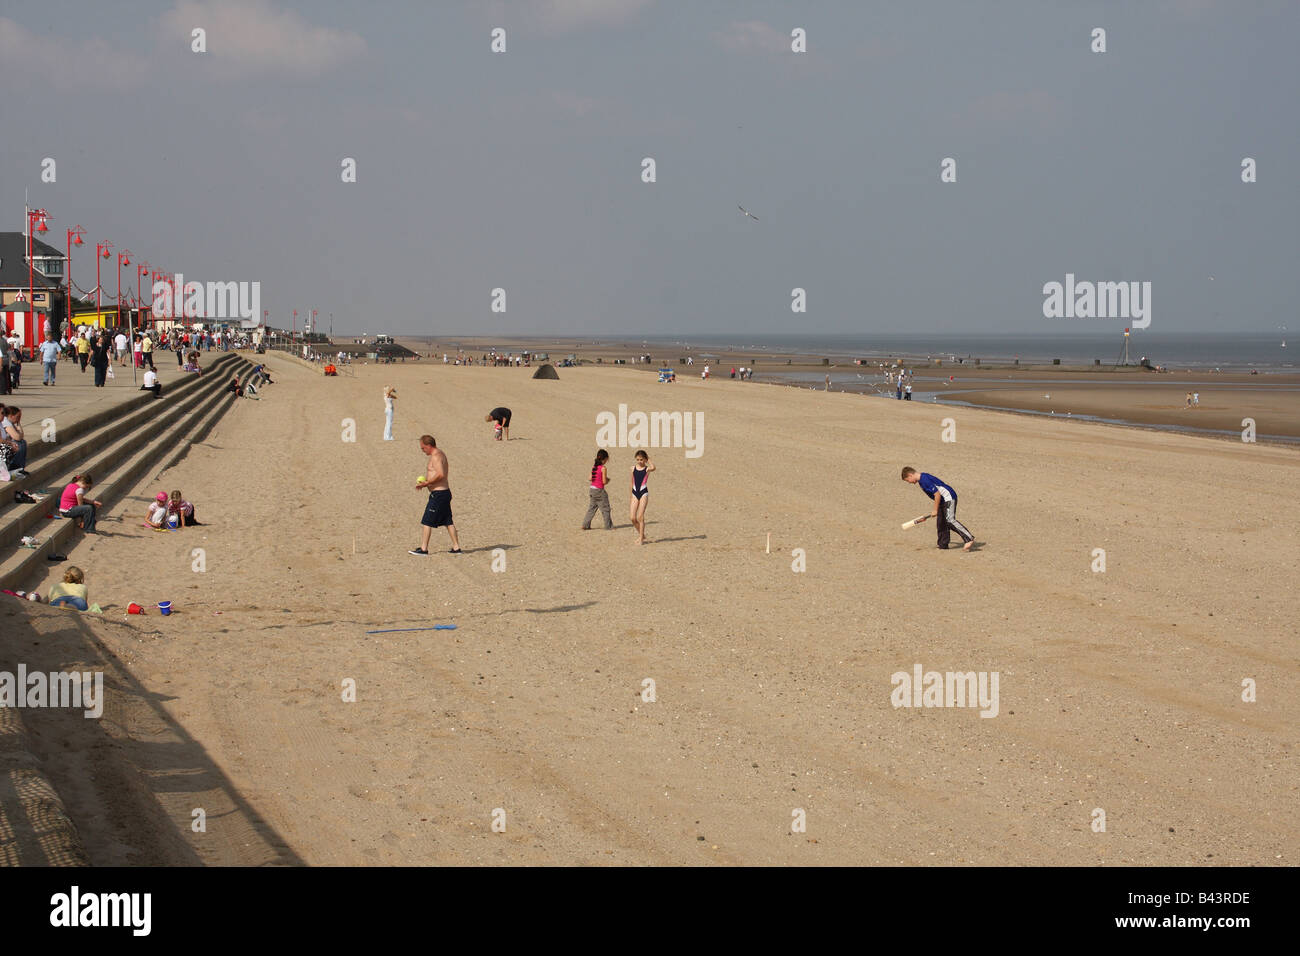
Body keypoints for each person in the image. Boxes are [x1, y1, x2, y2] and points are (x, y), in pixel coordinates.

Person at [901, 466, 974, 551]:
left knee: (950, 520)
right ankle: (943, 544)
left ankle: (969, 538)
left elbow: (937, 494)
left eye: (907, 480)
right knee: (941, 522)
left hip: (949, 498)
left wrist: (935, 509)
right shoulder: (922, 480)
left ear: (910, 475)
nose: (909, 483)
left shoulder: (924, 480)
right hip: (942, 501)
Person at [410, 434, 461, 554]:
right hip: (444, 493)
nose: (422, 450)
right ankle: (456, 547)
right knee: (448, 521)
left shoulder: (436, 456)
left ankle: (423, 549)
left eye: (423, 448)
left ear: (428, 445)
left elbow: (440, 474)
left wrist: (426, 483)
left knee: (427, 521)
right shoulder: (440, 453)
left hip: (439, 494)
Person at [582, 449, 614, 530]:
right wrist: (608, 480)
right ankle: (608, 526)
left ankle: (585, 525)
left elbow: (589, 478)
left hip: (592, 490)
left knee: (591, 508)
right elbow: (604, 481)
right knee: (606, 509)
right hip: (599, 491)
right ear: (605, 459)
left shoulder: (594, 467)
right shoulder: (603, 468)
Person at [629, 450, 655, 545]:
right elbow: (632, 482)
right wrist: (630, 496)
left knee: (640, 516)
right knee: (632, 518)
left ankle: (640, 539)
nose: (639, 461)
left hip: (644, 493)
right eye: (638, 459)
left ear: (644, 459)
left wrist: (648, 459)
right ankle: (642, 535)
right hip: (634, 493)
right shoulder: (632, 468)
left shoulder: (647, 469)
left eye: (641, 459)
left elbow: (654, 467)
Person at [1, 406, 28, 478]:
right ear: (11, 416)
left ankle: (19, 468)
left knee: (22, 442)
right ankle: (14, 468)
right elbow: (17, 437)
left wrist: (18, 423)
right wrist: (10, 443)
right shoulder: (5, 421)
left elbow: (20, 436)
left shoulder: (6, 421)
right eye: (18, 417)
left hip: (4, 445)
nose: (4, 415)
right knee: (19, 443)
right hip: (2, 447)